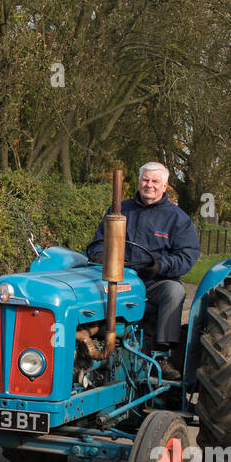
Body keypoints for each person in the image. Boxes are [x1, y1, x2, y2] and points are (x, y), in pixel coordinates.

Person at [86, 162, 200, 379]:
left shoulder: (177, 218)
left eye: (155, 181)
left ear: (165, 185)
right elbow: (98, 243)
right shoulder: (120, 210)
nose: (149, 185)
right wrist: (102, 256)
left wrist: (160, 266)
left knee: (174, 292)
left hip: (154, 282)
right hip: (119, 279)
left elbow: (187, 255)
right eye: (145, 180)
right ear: (139, 182)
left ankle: (163, 355)